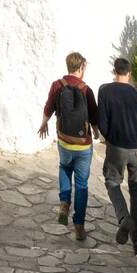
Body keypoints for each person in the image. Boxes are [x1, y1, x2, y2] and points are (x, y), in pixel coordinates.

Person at [97, 57, 137, 255]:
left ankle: (124, 219)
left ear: (115, 71)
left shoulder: (104, 91)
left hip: (116, 148)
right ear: (129, 73)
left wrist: (111, 138)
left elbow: (102, 124)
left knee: (112, 182)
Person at [38, 51, 99, 241]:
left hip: (64, 141)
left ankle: (64, 202)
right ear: (81, 67)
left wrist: (44, 123)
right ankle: (79, 226)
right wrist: (96, 132)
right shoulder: (85, 89)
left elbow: (49, 107)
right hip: (82, 145)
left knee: (64, 168)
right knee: (81, 184)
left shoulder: (58, 85)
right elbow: (94, 116)